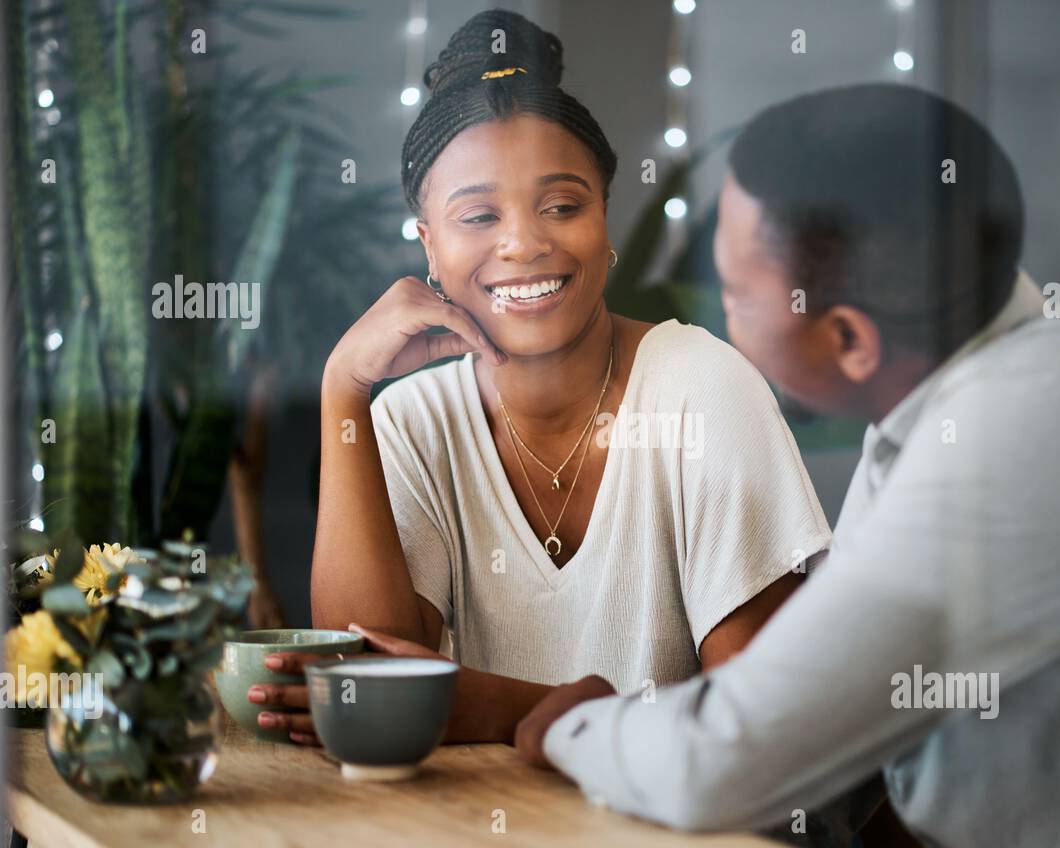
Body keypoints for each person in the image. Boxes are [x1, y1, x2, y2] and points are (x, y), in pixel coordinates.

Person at [516, 83, 1060, 848]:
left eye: (736, 292)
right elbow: (841, 720)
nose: (722, 314)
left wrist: (571, 726)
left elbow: (725, 760)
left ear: (851, 338)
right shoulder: (962, 391)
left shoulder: (1026, 430)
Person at [254, 11, 829, 771]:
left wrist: (500, 706)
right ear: (428, 242)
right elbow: (367, 695)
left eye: (562, 205)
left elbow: (761, 733)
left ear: (605, 218)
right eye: (478, 216)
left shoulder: (701, 388)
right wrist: (343, 388)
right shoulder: (410, 422)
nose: (525, 242)